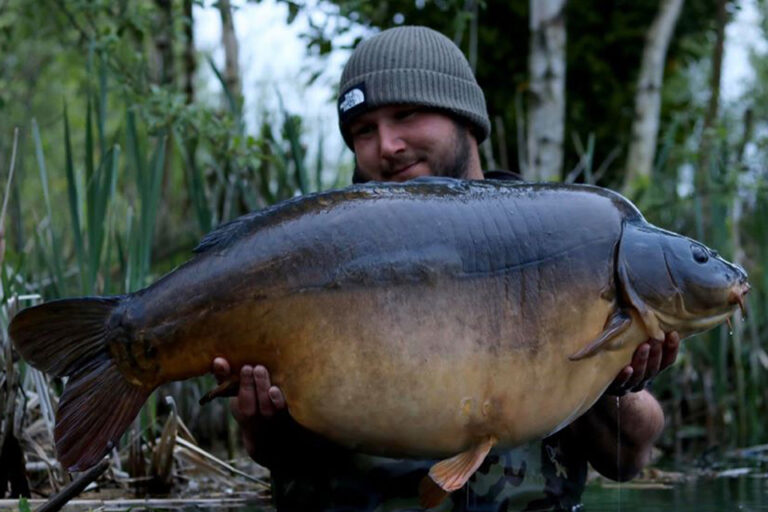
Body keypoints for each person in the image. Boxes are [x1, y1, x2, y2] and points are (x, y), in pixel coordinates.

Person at [212, 26, 680, 511]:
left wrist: (616, 379)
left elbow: (629, 457)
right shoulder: (311, 255)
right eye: (363, 132)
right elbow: (274, 455)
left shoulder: (561, 241)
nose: (386, 146)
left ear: (465, 119)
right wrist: (262, 426)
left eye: (405, 115)